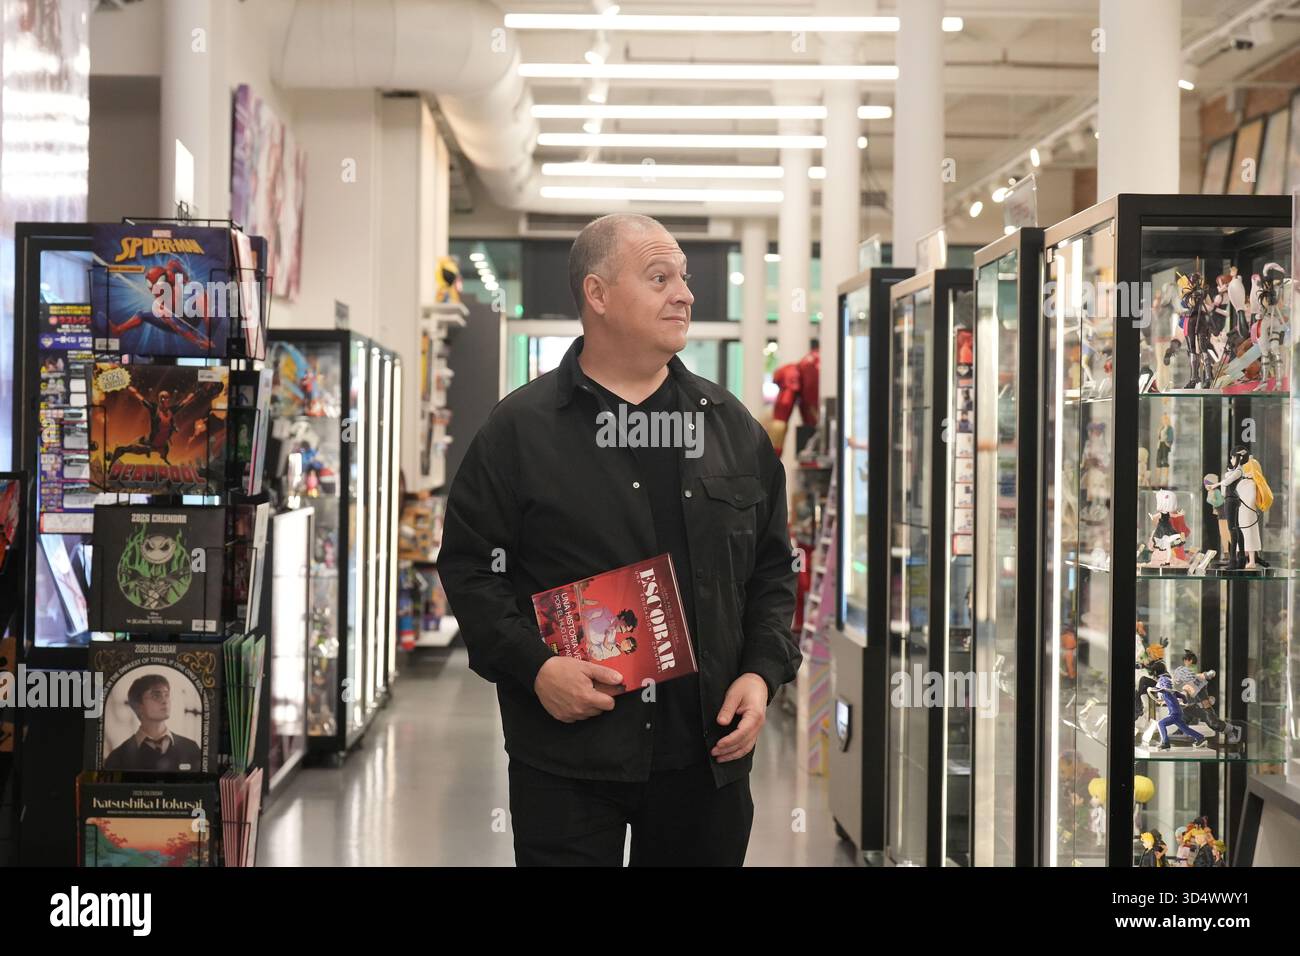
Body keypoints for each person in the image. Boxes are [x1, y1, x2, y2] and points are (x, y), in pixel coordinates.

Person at [438, 213, 800, 866]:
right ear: (597, 295)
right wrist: (536, 668)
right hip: (567, 760)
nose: (684, 294)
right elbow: (470, 570)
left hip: (706, 764)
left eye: (684, 278)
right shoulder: (519, 431)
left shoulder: (730, 428)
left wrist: (761, 672)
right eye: (659, 277)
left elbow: (773, 570)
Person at [103, 673, 203, 772]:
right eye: (156, 695)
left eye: (167, 695)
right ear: (138, 706)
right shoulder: (118, 758)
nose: (165, 701)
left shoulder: (191, 748)